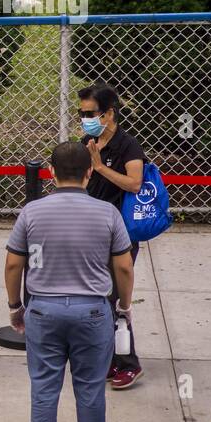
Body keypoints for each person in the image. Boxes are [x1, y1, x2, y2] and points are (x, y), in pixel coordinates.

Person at [5, 141, 135, 422]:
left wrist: (16, 307)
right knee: (90, 388)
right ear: (90, 173)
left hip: (44, 310)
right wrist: (123, 307)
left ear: (50, 173)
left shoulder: (31, 212)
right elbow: (123, 266)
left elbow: (14, 262)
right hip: (92, 311)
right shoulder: (107, 213)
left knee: (44, 387)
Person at [78, 84, 146, 390]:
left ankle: (128, 363)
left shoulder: (127, 146)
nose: (85, 118)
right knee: (98, 298)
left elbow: (134, 183)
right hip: (91, 231)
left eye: (90, 113)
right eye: (81, 113)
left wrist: (99, 168)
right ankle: (108, 358)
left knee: (116, 298)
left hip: (120, 232)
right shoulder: (87, 142)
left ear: (109, 113)